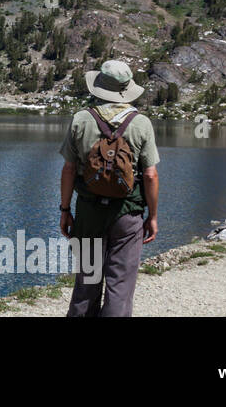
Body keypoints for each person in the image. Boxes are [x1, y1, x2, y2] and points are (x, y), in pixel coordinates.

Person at [58, 59, 159, 317]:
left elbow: (69, 169)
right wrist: (153, 216)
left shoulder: (82, 119)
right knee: (120, 286)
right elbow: (149, 174)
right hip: (127, 213)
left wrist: (65, 209)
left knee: (87, 282)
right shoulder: (141, 123)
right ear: (126, 89)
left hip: (89, 212)